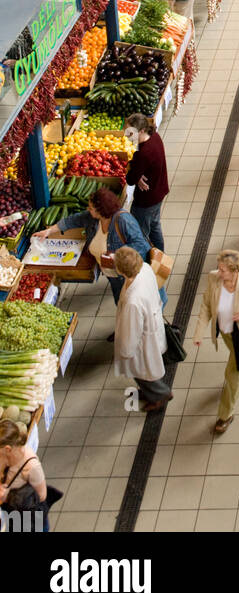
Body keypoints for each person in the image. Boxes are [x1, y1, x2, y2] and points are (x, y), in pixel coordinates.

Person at [192, 248, 239, 434]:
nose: (219, 273)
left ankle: (225, 415)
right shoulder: (213, 278)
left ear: (235, 270)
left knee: (232, 374)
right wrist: (198, 333)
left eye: (223, 270)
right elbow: (206, 305)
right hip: (225, 333)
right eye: (219, 268)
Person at [40, 186, 154, 308]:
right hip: (113, 275)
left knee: (132, 305)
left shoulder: (123, 220)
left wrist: (117, 257)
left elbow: (140, 245)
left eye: (91, 208)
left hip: (127, 273)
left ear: (101, 210)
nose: (88, 209)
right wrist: (49, 231)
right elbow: (73, 220)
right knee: (121, 302)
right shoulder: (92, 218)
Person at [113, 246, 172, 412]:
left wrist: (126, 351)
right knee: (144, 369)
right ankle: (151, 392)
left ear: (120, 270)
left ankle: (161, 394)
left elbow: (132, 330)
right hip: (152, 322)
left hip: (141, 340)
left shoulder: (133, 301)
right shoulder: (145, 268)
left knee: (141, 369)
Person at [125, 114, 168, 250]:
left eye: (130, 133)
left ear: (141, 131)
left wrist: (134, 172)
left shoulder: (144, 153)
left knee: (140, 234)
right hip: (159, 191)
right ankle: (161, 258)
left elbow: (130, 179)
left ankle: (145, 264)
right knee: (155, 227)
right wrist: (138, 172)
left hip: (146, 201)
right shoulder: (155, 137)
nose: (127, 135)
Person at [0, 420, 50, 532]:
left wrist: (8, 496)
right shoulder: (6, 458)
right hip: (11, 514)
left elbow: (41, 497)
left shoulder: (31, 466)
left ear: (8, 449)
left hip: (29, 521)